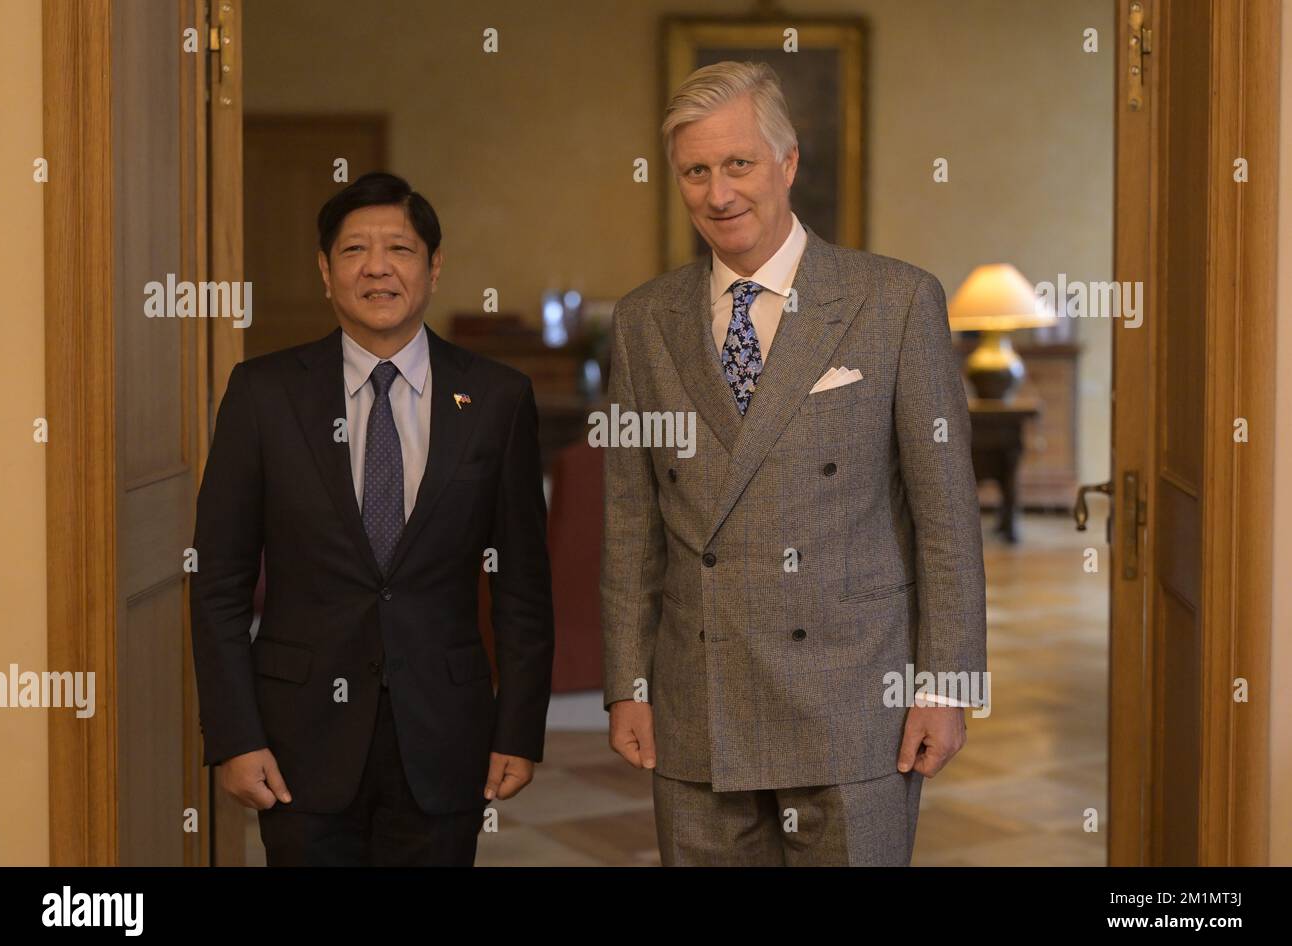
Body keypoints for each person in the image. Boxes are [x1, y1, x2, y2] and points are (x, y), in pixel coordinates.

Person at [600, 61, 987, 866]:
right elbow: (631, 520)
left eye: (738, 163)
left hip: (853, 702)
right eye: (695, 171)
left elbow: (946, 514)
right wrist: (625, 683)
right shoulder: (643, 321)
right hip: (696, 700)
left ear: (787, 162)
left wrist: (946, 686)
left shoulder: (896, 301)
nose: (719, 193)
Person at [190, 172, 554, 866]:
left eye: (400, 249)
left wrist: (518, 729)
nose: (378, 267)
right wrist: (235, 736)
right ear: (326, 272)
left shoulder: (497, 398)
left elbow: (524, 589)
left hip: (445, 734)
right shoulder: (263, 395)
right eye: (355, 249)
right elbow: (218, 584)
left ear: (434, 267)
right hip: (297, 740)